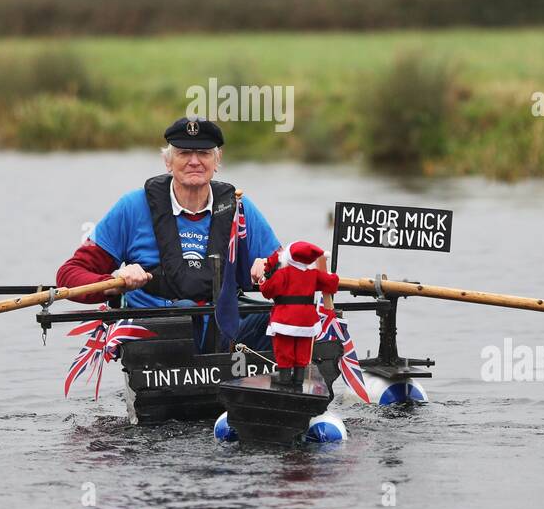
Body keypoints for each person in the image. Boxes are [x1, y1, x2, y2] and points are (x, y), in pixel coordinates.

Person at [55, 116, 282, 351]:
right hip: (158, 338)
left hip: (226, 334)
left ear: (217, 160)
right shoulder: (131, 208)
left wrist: (269, 266)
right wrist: (115, 282)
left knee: (284, 315)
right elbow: (68, 274)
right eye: (184, 153)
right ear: (168, 161)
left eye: (203, 153)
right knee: (183, 310)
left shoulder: (239, 209)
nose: (194, 161)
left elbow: (288, 268)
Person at [259, 242, 339, 386]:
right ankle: (298, 379)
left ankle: (284, 378)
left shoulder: (282, 274)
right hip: (307, 319)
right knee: (303, 348)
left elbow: (267, 291)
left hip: (285, 318)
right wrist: (329, 274)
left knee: (284, 348)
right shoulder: (313, 275)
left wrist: (265, 276)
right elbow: (331, 284)